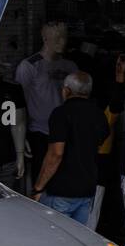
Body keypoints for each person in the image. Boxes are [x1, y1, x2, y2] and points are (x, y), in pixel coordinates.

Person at [31, 72, 109, 225]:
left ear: (66, 91)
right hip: (87, 189)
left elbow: (56, 153)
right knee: (78, 240)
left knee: (56, 238)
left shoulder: (60, 114)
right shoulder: (99, 115)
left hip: (62, 190)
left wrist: (38, 187)